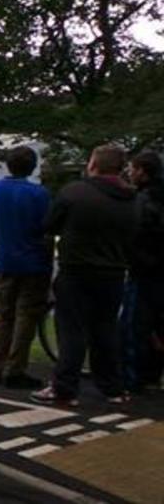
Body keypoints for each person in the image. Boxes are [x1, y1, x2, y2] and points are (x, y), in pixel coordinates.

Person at [32, 145, 138, 407]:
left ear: (94, 165)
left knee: (72, 331)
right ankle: (112, 387)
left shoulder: (75, 192)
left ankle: (65, 388)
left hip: (76, 269)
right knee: (106, 330)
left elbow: (49, 225)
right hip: (113, 271)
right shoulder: (133, 198)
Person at [0, 146, 53, 389]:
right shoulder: (39, 194)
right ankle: (15, 368)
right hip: (33, 263)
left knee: (3, 315)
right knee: (26, 317)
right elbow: (47, 230)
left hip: (5, 260)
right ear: (32, 167)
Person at [125, 151, 164, 392]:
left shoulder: (141, 201)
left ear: (142, 171)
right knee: (159, 324)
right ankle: (153, 372)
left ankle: (134, 376)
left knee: (136, 325)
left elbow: (135, 235)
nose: (129, 173)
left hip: (146, 270)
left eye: (132, 168)